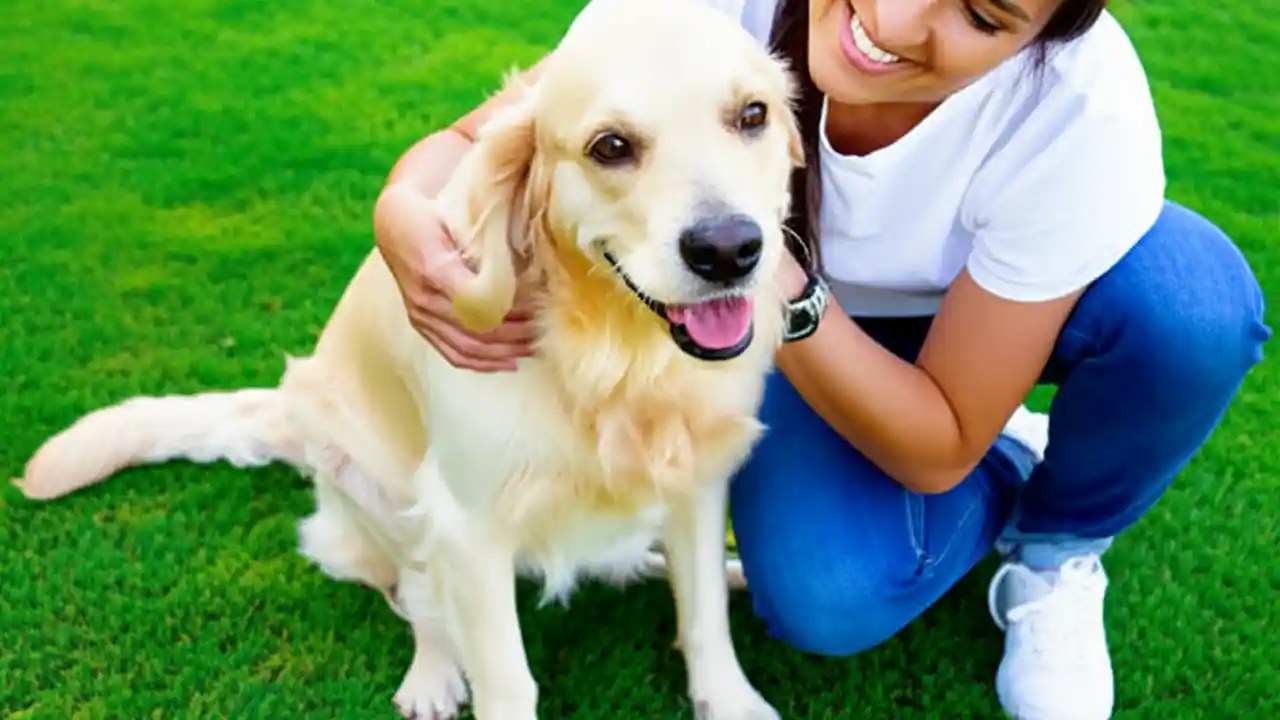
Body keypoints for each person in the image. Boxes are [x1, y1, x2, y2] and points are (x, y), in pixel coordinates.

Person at [371, 0, 1270, 717]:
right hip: (787, 339)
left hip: (941, 324)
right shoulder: (681, 12)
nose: (890, 17)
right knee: (827, 599)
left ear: (1041, 34)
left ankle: (1056, 548)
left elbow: (936, 441)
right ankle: (1012, 453)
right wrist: (400, 212)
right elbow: (486, 140)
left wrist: (786, 290)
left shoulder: (1082, 107)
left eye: (981, 14)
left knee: (1190, 305)